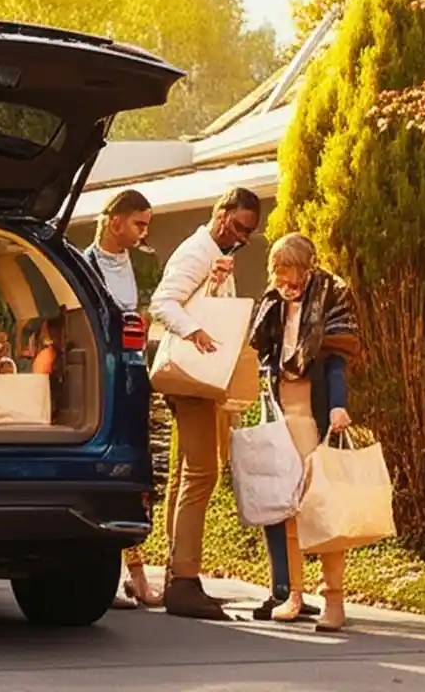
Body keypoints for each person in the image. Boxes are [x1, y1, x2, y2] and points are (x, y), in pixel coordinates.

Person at [149, 187, 262, 620]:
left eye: (249, 232)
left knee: (185, 473)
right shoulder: (197, 250)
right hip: (192, 375)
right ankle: (184, 579)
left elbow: (203, 305)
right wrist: (193, 331)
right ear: (221, 214)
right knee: (202, 473)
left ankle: (177, 575)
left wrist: (213, 287)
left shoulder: (214, 254)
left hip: (199, 376)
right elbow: (163, 302)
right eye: (240, 227)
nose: (243, 237)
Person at [248, 233, 360, 632]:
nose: (285, 282)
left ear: (308, 269)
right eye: (279, 273)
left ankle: (334, 599)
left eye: (291, 274)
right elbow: (263, 353)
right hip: (282, 412)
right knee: (288, 504)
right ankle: (295, 594)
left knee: (323, 505)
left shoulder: (332, 297)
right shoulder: (272, 303)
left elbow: (337, 359)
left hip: (315, 410)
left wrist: (338, 405)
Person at [82, 189, 162, 609]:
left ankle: (139, 575)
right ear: (115, 221)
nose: (143, 233)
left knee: (137, 473)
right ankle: (116, 574)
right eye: (138, 224)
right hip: (104, 379)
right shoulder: (84, 265)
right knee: (109, 473)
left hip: (140, 375)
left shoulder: (146, 264)